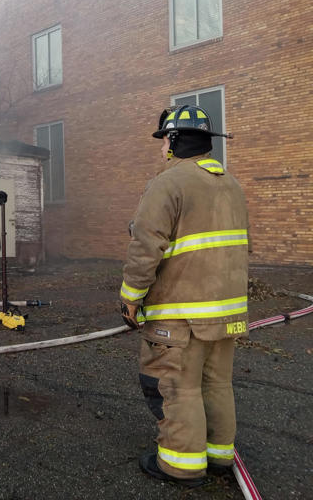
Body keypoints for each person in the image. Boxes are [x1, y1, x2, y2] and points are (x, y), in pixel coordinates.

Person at [119, 105, 249, 487]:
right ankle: (219, 456)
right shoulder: (231, 184)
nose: (162, 149)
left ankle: (181, 465)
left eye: (164, 141)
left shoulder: (169, 183)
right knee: (217, 384)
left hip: (181, 317)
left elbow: (145, 248)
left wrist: (130, 298)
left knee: (178, 386)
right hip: (226, 314)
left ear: (175, 141)